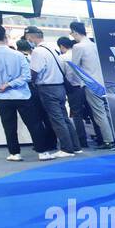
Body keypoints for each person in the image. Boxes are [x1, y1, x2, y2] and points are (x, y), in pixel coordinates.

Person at [0, 21, 49, 162]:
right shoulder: (18, 55)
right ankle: (43, 152)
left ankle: (15, 153)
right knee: (34, 124)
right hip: (22, 95)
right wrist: (10, 84)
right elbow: (26, 77)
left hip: (2, 96)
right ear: (5, 35)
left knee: (9, 126)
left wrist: (1, 83)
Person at [24, 26, 79, 157]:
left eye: (28, 38)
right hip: (60, 86)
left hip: (47, 88)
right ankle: (75, 146)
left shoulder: (38, 51)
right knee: (64, 118)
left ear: (30, 37)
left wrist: (31, 82)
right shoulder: (52, 48)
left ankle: (66, 149)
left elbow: (34, 72)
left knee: (57, 119)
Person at [68, 22, 114, 149]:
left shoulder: (78, 47)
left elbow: (74, 67)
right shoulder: (95, 45)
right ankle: (114, 139)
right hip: (103, 83)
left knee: (99, 114)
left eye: (71, 33)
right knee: (107, 112)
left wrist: (72, 82)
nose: (72, 35)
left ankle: (108, 141)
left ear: (75, 32)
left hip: (91, 84)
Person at [56, 36, 90, 150]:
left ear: (61, 46)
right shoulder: (80, 53)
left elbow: (63, 74)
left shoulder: (62, 58)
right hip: (87, 86)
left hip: (73, 89)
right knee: (92, 113)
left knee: (77, 115)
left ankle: (82, 141)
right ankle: (101, 139)